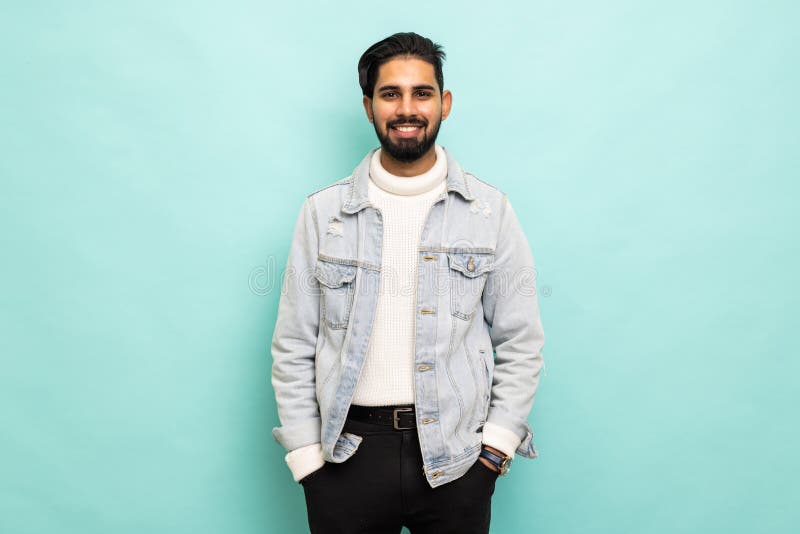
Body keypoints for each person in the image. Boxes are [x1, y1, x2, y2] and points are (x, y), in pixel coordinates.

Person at [270, 32, 545, 534]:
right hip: (345, 458)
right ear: (368, 106)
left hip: (458, 462)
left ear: (445, 103)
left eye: (421, 93)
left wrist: (495, 453)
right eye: (390, 94)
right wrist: (307, 459)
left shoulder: (489, 212)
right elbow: (293, 343)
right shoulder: (322, 213)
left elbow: (522, 342)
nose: (407, 108)